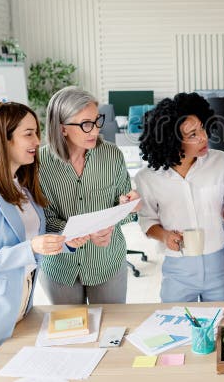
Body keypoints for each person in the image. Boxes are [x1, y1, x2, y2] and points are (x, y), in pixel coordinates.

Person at [0, 102, 89, 380]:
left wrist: (66, 242)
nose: (38, 141)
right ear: (3, 138)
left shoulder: (20, 184)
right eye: (29, 134)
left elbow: (30, 239)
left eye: (36, 133)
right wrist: (32, 248)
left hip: (21, 308)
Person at [136, 92, 224, 302]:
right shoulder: (147, 178)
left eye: (202, 128)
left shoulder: (220, 161)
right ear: (172, 141)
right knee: (178, 327)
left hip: (219, 265)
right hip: (178, 270)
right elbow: (148, 221)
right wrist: (165, 236)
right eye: (192, 134)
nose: (204, 137)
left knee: (221, 325)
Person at [38, 86, 140, 305]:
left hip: (106, 264)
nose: (95, 131)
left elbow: (127, 213)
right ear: (62, 128)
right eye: (86, 124)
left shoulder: (112, 155)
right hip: (60, 267)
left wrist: (127, 206)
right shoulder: (39, 163)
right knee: (70, 335)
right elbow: (42, 219)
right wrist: (83, 231)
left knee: (111, 330)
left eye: (97, 121)